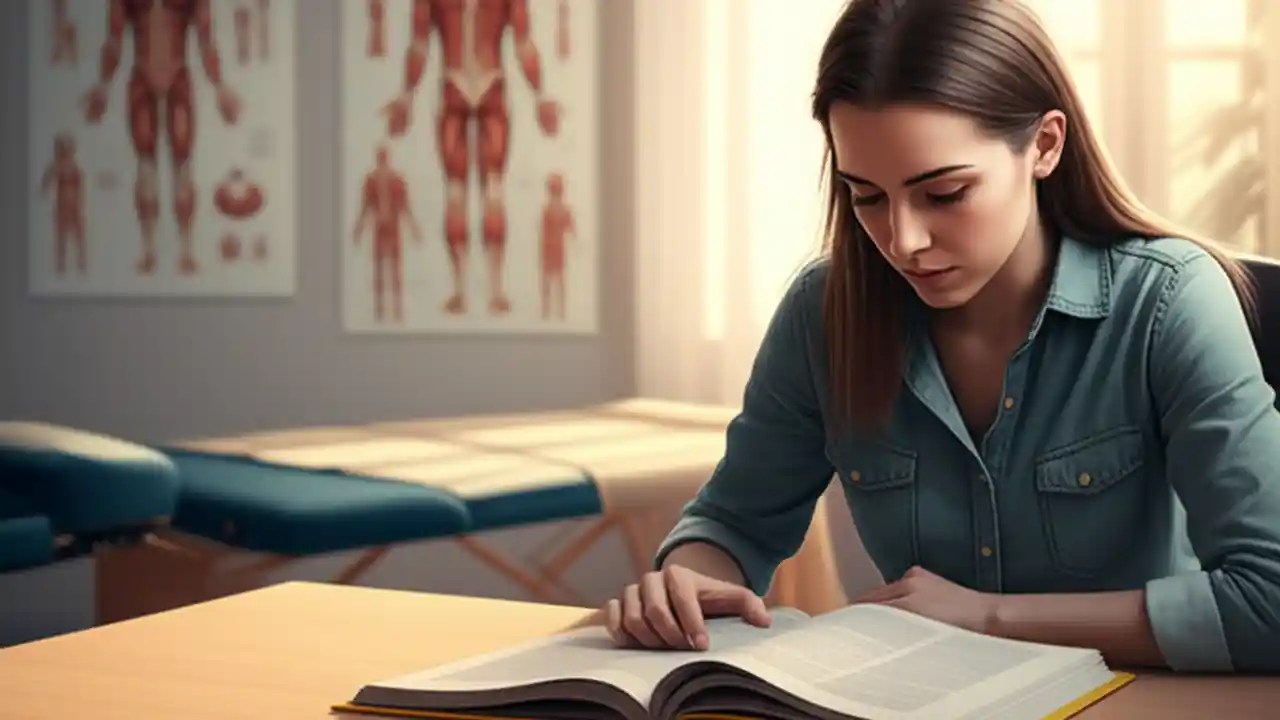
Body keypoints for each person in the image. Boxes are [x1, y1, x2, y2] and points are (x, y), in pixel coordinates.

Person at [603, 0, 1280, 674]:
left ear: (1043, 145)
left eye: (945, 193)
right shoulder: (823, 312)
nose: (903, 241)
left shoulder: (1168, 301)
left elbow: (1269, 601)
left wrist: (984, 619)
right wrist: (687, 581)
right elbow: (734, 525)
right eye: (867, 196)